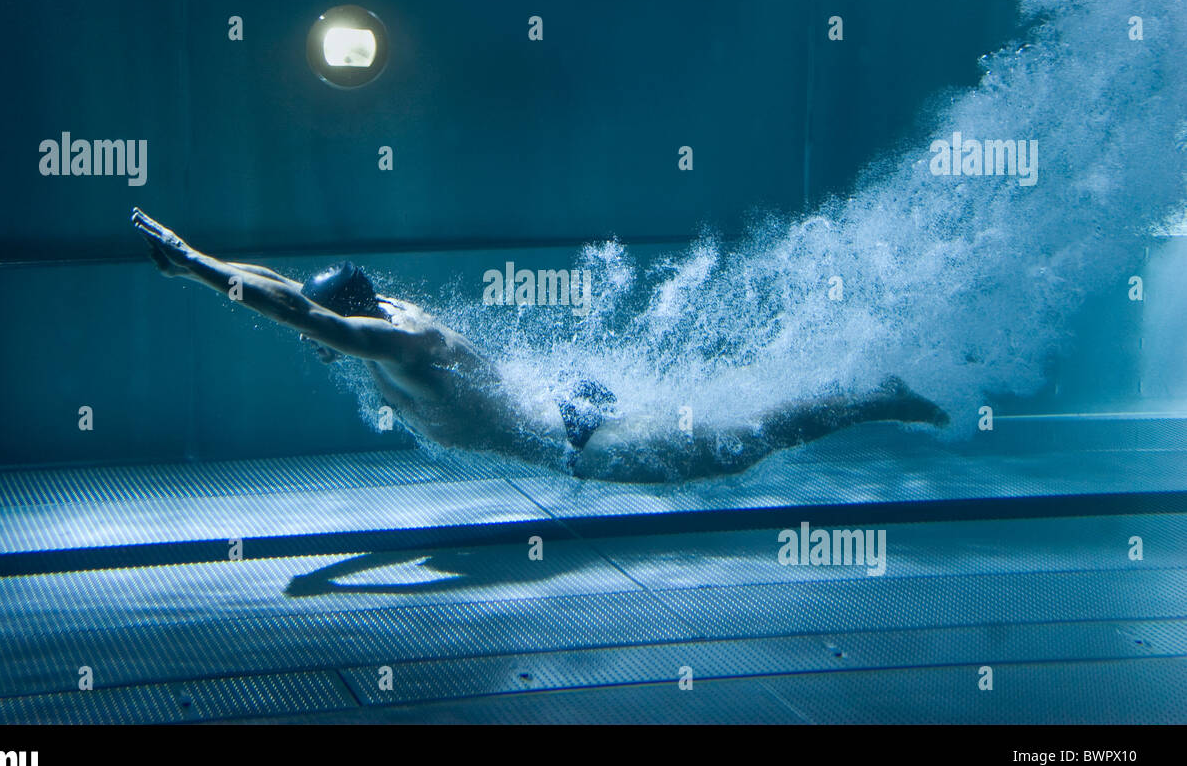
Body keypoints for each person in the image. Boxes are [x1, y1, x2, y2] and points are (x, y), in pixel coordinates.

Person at [132, 208, 949, 483]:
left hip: (580, 438)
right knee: (725, 426)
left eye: (329, 334)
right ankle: (863, 392)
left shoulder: (397, 342)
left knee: (737, 447)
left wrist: (199, 267)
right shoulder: (378, 311)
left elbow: (298, 314)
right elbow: (288, 290)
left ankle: (874, 395)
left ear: (353, 322)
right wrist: (197, 258)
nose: (319, 347)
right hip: (564, 406)